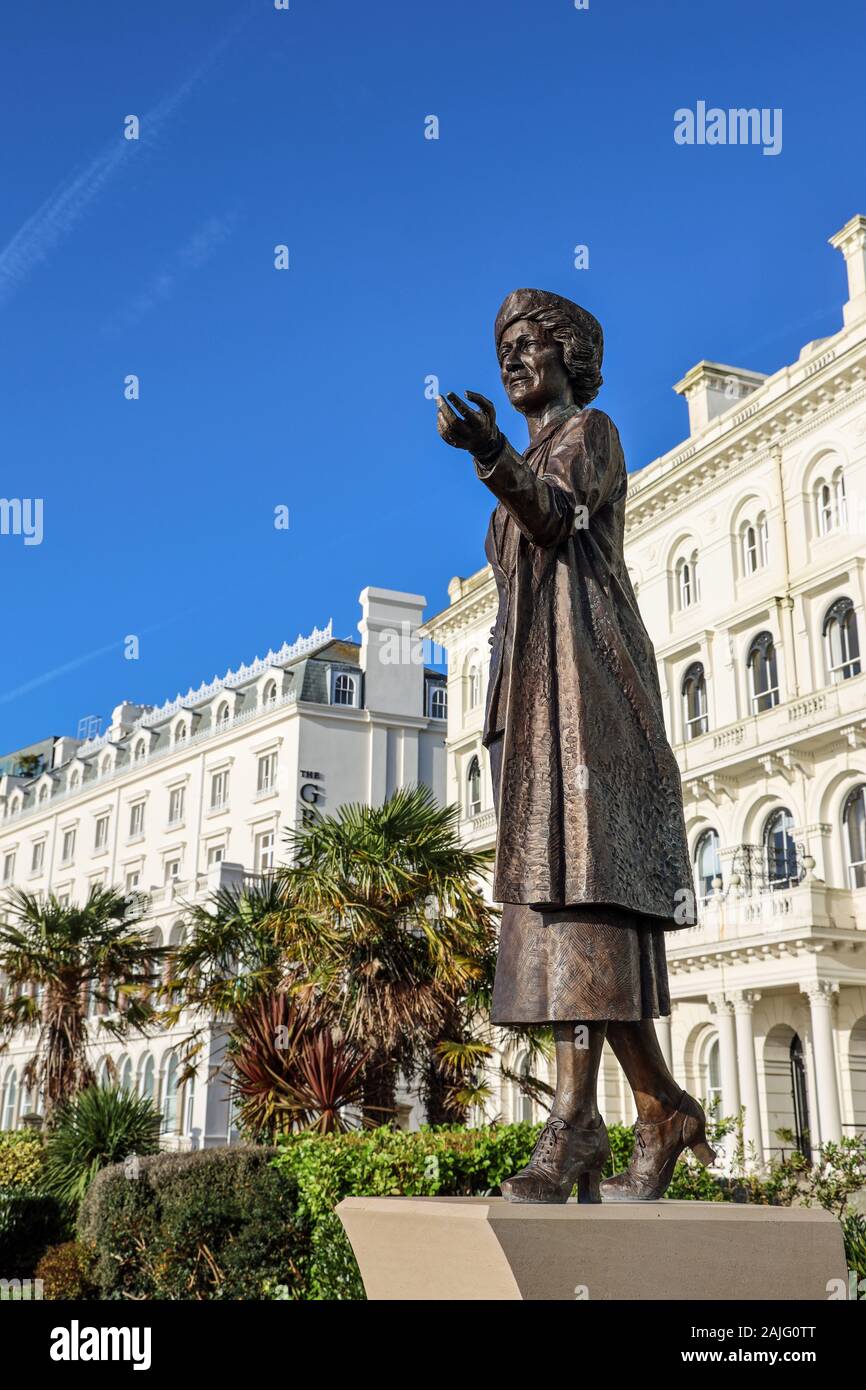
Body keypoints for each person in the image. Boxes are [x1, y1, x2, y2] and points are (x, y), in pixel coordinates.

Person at [436, 289, 716, 1202]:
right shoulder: (528, 452)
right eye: (502, 349)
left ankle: (575, 1122)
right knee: (553, 904)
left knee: (581, 892)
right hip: (536, 705)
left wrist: (489, 454)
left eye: (527, 344)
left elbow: (556, 518)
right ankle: (658, 1105)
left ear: (568, 355)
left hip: (589, 695)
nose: (512, 360)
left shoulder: (590, 435)